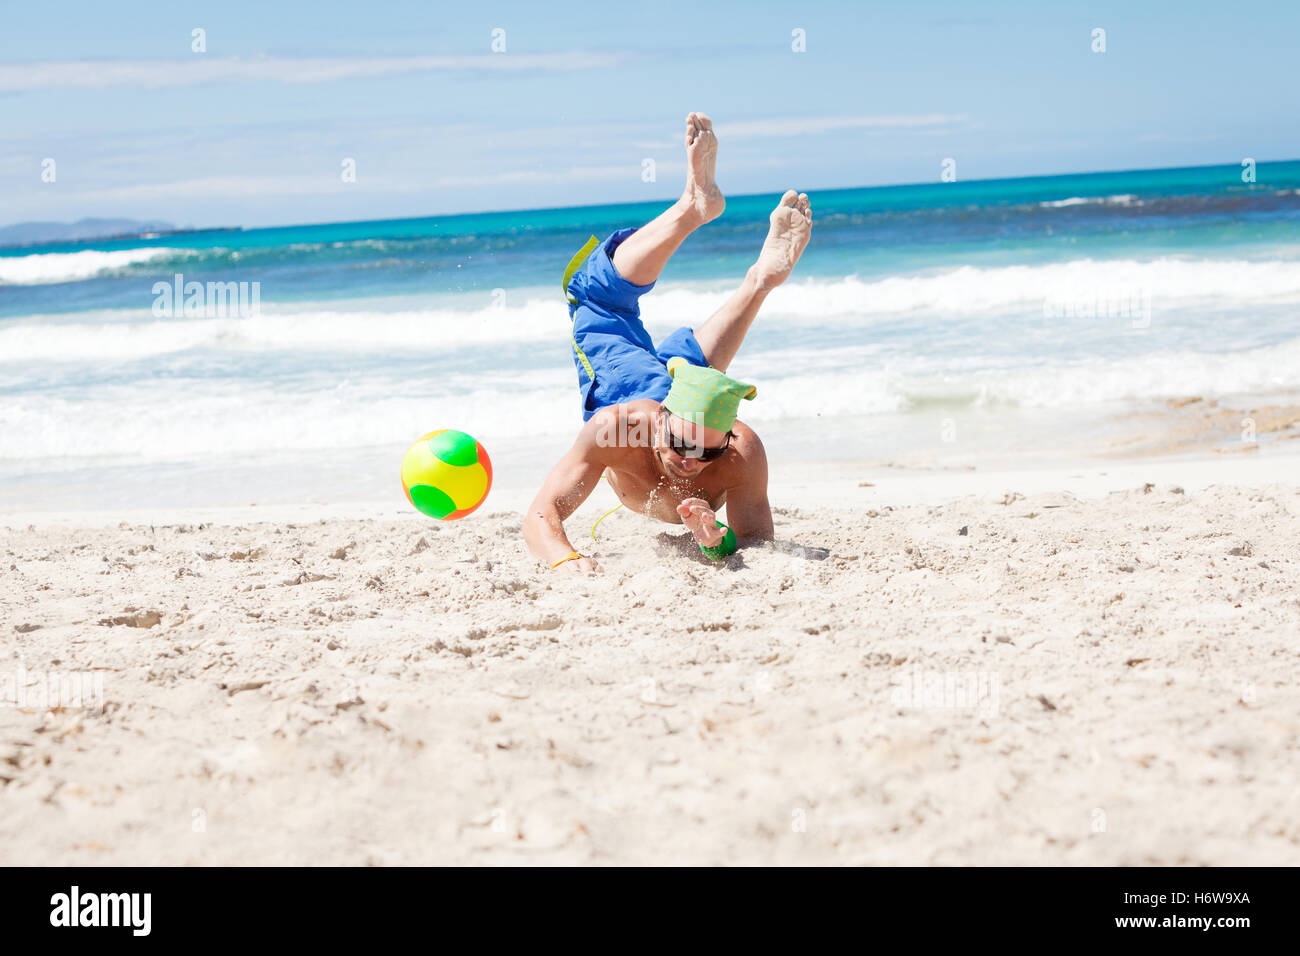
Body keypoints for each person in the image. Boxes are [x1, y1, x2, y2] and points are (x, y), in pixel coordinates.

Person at [523, 112, 813, 572]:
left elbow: (756, 544)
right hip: (633, 384)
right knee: (592, 294)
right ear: (661, 422)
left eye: (707, 450)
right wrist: (565, 559)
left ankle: (760, 280)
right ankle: (692, 207)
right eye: (681, 443)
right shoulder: (618, 430)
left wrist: (716, 542)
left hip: (686, 392)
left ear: (729, 439)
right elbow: (541, 517)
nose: (692, 462)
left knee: (697, 374)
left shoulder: (739, 452)